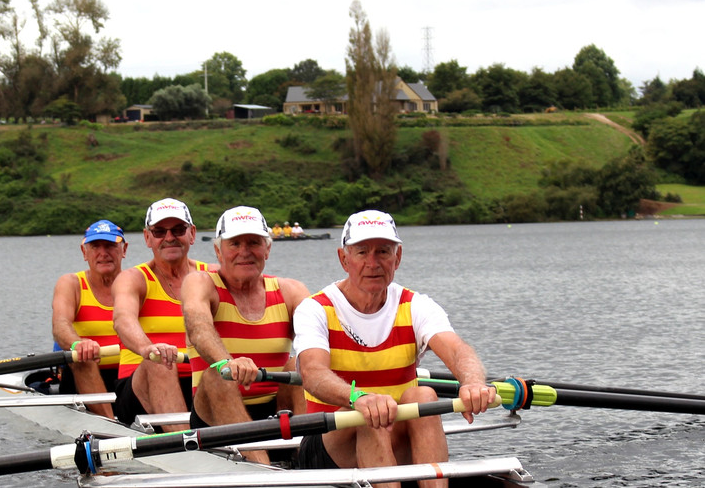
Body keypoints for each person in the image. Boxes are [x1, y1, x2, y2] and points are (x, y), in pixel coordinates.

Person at [293, 210, 497, 487]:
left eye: (383, 252)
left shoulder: (416, 305)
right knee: (366, 415)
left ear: (397, 258)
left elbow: (457, 349)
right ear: (344, 259)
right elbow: (313, 373)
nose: (373, 263)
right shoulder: (315, 308)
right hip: (329, 445)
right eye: (362, 252)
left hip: (392, 435)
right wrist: (358, 396)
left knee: (423, 395)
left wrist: (473, 382)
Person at [182, 206, 309, 464]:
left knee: (301, 364)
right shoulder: (200, 283)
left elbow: (321, 338)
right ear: (218, 251)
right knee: (217, 374)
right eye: (235, 244)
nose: (244, 252)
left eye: (253, 243)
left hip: (275, 409)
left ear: (267, 249)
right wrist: (228, 362)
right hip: (212, 413)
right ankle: (262, 470)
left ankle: (309, 455)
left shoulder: (291, 290)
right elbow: (199, 329)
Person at [111, 198, 216, 429]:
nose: (169, 238)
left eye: (178, 229)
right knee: (158, 360)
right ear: (148, 238)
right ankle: (188, 450)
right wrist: (146, 348)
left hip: (200, 383)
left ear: (192, 234)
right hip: (141, 386)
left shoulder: (213, 276)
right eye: (159, 231)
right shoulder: (133, 279)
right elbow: (122, 320)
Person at [52, 219, 128, 418]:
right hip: (84, 372)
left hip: (127, 374)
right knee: (82, 358)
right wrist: (77, 343)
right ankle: (112, 426)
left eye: (110, 245)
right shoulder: (71, 284)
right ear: (84, 252)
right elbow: (60, 325)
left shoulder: (137, 282)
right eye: (95, 246)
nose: (103, 253)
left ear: (124, 249)